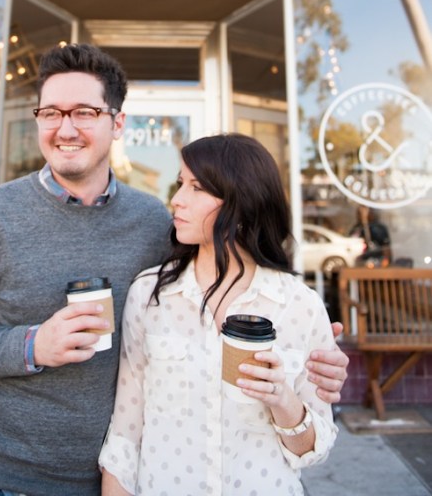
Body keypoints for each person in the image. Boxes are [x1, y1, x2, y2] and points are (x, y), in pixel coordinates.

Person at [0, 44, 347, 496]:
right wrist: (33, 345)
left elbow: (212, 302)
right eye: (51, 113)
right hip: (13, 479)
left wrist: (310, 357)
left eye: (84, 112)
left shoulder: (154, 222)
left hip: (134, 477)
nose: (65, 128)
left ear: (118, 123)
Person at [100, 134, 339, 496]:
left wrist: (282, 400)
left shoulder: (300, 306)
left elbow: (312, 451)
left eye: (196, 188)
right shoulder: (150, 295)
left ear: (242, 201)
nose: (176, 199)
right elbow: (125, 431)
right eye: (180, 184)